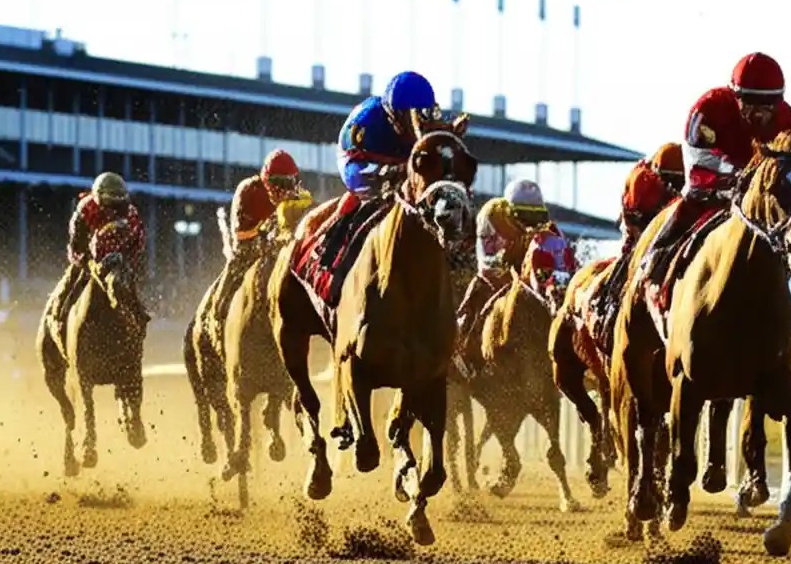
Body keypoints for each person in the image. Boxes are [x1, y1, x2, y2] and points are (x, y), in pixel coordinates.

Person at [644, 52, 791, 281]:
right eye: (749, 103)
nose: (758, 113)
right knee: (692, 201)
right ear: (734, 95)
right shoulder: (707, 110)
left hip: (758, 195)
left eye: (767, 106)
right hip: (711, 184)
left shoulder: (789, 123)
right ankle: (657, 255)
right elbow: (697, 161)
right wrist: (738, 173)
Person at [306, 70, 443, 304]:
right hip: (359, 162)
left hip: (402, 162)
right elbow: (354, 164)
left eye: (420, 117)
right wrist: (390, 172)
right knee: (375, 202)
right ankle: (333, 258)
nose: (415, 126)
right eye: (406, 118)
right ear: (392, 114)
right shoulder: (368, 122)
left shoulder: (429, 120)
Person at [589, 142, 688, 347]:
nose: (675, 186)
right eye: (671, 181)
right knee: (630, 254)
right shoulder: (641, 181)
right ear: (659, 175)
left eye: (679, 182)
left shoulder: (668, 187)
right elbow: (636, 221)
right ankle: (607, 303)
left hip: (656, 220)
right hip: (635, 222)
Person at [455, 179, 556, 377]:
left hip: (526, 279)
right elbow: (486, 256)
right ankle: (459, 352)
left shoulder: (546, 229)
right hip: (494, 275)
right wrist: (502, 264)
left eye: (536, 216)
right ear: (510, 211)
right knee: (473, 305)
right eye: (524, 216)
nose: (531, 224)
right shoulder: (491, 215)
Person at [210, 149, 313, 328]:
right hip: (249, 244)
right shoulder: (250, 193)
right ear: (267, 179)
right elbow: (243, 236)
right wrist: (272, 239)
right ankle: (219, 309)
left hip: (280, 244)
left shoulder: (300, 196)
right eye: (280, 182)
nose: (285, 189)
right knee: (237, 263)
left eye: (291, 182)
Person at [45, 171, 145, 336]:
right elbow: (75, 245)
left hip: (119, 260)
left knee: (129, 289)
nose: (113, 212)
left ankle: (138, 321)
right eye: (109, 206)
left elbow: (138, 244)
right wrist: (87, 262)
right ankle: (58, 317)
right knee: (71, 283)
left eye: (118, 207)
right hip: (89, 260)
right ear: (99, 199)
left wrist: (129, 264)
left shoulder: (131, 214)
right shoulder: (85, 210)